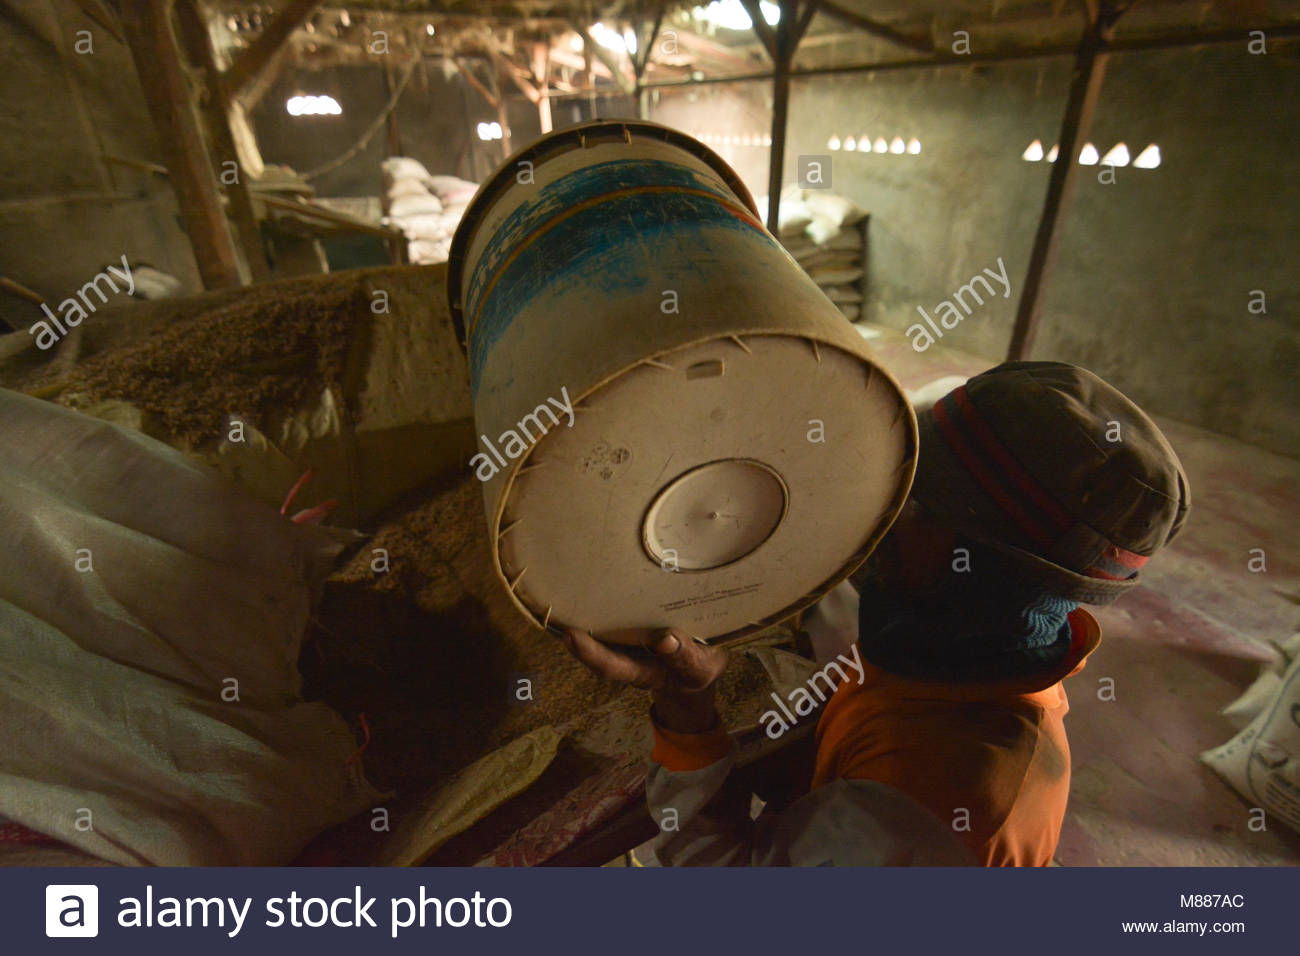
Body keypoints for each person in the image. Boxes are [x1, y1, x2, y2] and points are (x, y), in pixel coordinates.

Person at [562, 361, 1190, 866]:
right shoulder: (975, 645)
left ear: (982, 563)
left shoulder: (920, 807)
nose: (879, 512)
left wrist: (690, 711)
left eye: (913, 502)